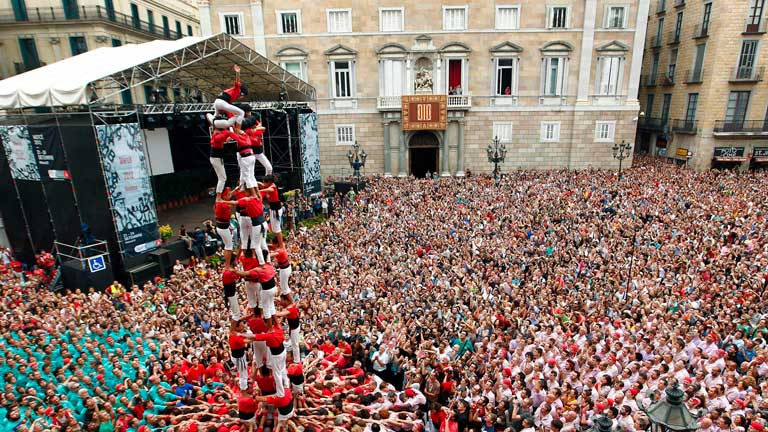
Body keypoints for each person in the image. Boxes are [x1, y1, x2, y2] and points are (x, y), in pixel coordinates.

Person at [212, 64, 248, 134]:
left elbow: (230, 112)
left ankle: (214, 130)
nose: (242, 98)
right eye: (243, 96)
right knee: (242, 113)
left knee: (215, 117)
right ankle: (238, 130)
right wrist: (238, 72)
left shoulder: (231, 94)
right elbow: (238, 82)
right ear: (242, 93)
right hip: (222, 102)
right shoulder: (237, 90)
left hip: (217, 102)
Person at [229, 319, 257, 391]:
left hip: (239, 355)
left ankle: (245, 384)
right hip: (239, 357)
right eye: (242, 326)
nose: (244, 326)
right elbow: (248, 341)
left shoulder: (233, 331)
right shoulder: (235, 336)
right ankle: (244, 389)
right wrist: (258, 337)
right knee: (243, 374)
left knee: (244, 372)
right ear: (237, 327)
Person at [214, 188, 235, 267]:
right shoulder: (223, 204)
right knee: (229, 246)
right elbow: (233, 204)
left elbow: (229, 196)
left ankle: (228, 263)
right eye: (228, 194)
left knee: (228, 245)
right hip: (223, 228)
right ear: (224, 196)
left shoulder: (219, 201)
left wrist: (235, 190)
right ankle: (227, 265)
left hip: (222, 227)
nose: (230, 195)